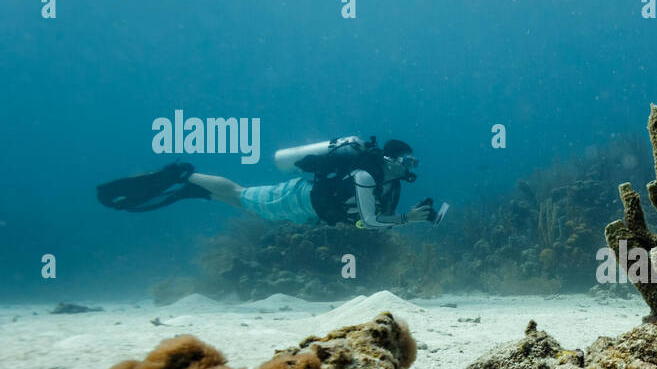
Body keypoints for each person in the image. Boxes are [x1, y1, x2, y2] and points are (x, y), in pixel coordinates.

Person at [97, 137, 448, 228]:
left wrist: (411, 216)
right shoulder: (365, 174)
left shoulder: (390, 186)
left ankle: (198, 191)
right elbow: (371, 222)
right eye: (409, 161)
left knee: (250, 208)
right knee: (242, 195)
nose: (411, 168)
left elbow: (363, 219)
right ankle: (183, 174)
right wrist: (406, 220)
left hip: (310, 214)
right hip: (298, 198)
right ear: (391, 158)